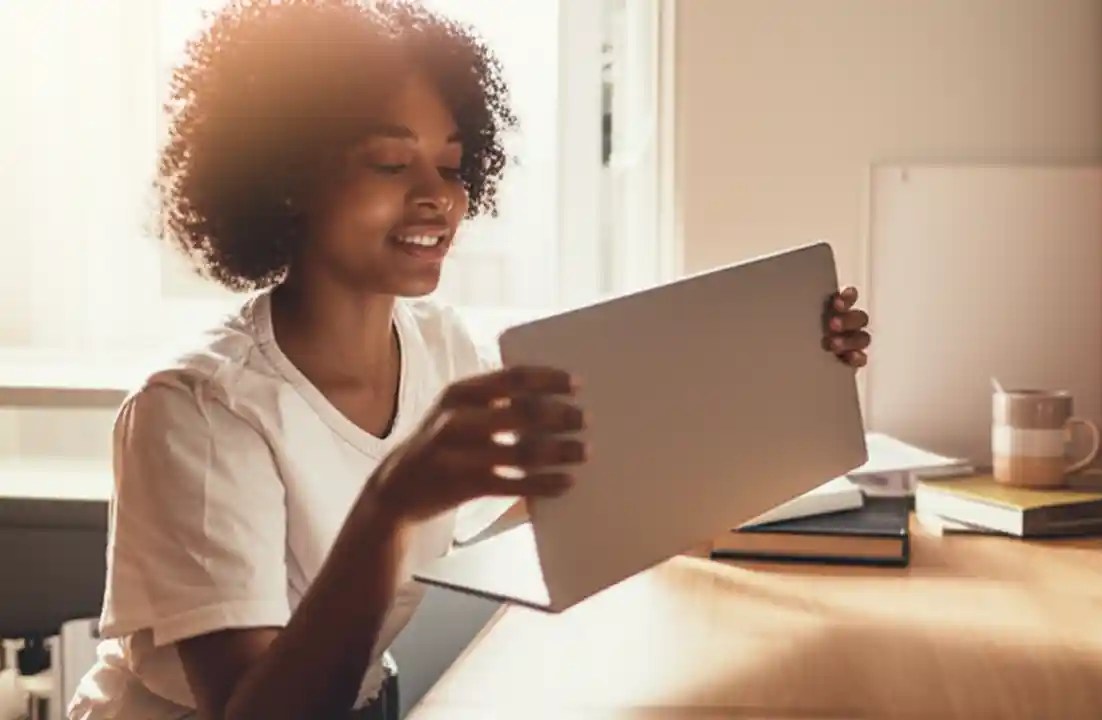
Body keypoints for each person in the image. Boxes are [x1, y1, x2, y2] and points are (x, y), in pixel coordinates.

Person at [68, 1, 872, 718]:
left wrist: (789, 363)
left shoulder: (441, 347)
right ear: (286, 180)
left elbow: (585, 486)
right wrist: (391, 506)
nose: (439, 196)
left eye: (451, 167)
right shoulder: (198, 410)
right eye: (390, 164)